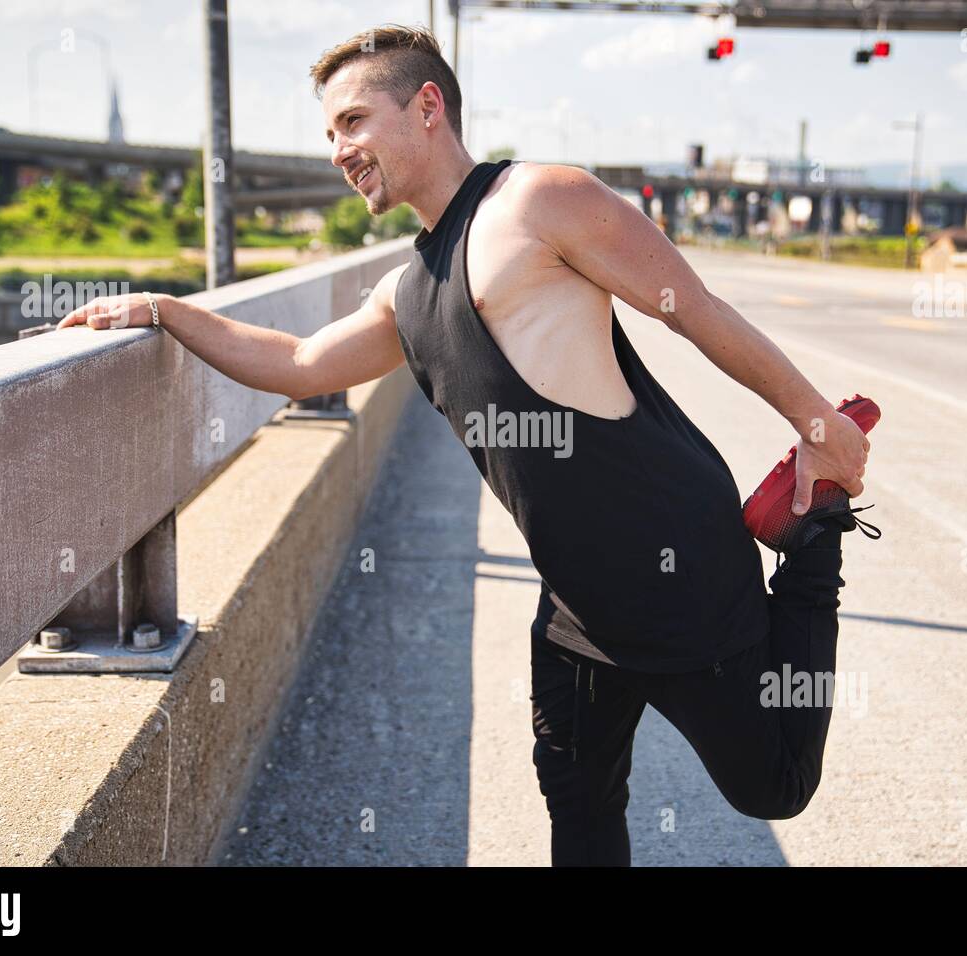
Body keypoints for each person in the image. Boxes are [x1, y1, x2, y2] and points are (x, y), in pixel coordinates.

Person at [57, 24, 876, 867]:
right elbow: (299, 364)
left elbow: (694, 309)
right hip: (577, 605)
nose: (338, 149)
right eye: (329, 133)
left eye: (352, 122)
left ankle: (815, 539)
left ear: (426, 107)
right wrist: (164, 309)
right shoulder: (405, 293)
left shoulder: (540, 200)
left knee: (772, 787)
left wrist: (820, 428)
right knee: (577, 799)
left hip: (682, 572)